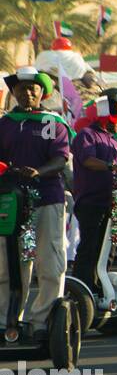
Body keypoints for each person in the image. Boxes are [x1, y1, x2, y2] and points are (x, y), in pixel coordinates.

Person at [0, 68, 72, 341]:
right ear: (14, 92)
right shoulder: (5, 124)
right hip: (10, 201)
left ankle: (41, 321)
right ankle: (7, 319)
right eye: (21, 89)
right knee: (9, 264)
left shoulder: (53, 123)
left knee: (49, 262)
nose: (27, 93)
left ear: (42, 92)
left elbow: (60, 159)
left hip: (47, 199)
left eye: (33, 88)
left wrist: (39, 172)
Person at [71, 89, 117, 295]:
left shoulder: (116, 140)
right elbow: (88, 161)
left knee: (108, 250)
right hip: (91, 201)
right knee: (90, 247)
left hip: (111, 202)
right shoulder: (86, 135)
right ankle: (81, 290)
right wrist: (112, 167)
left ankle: (99, 287)